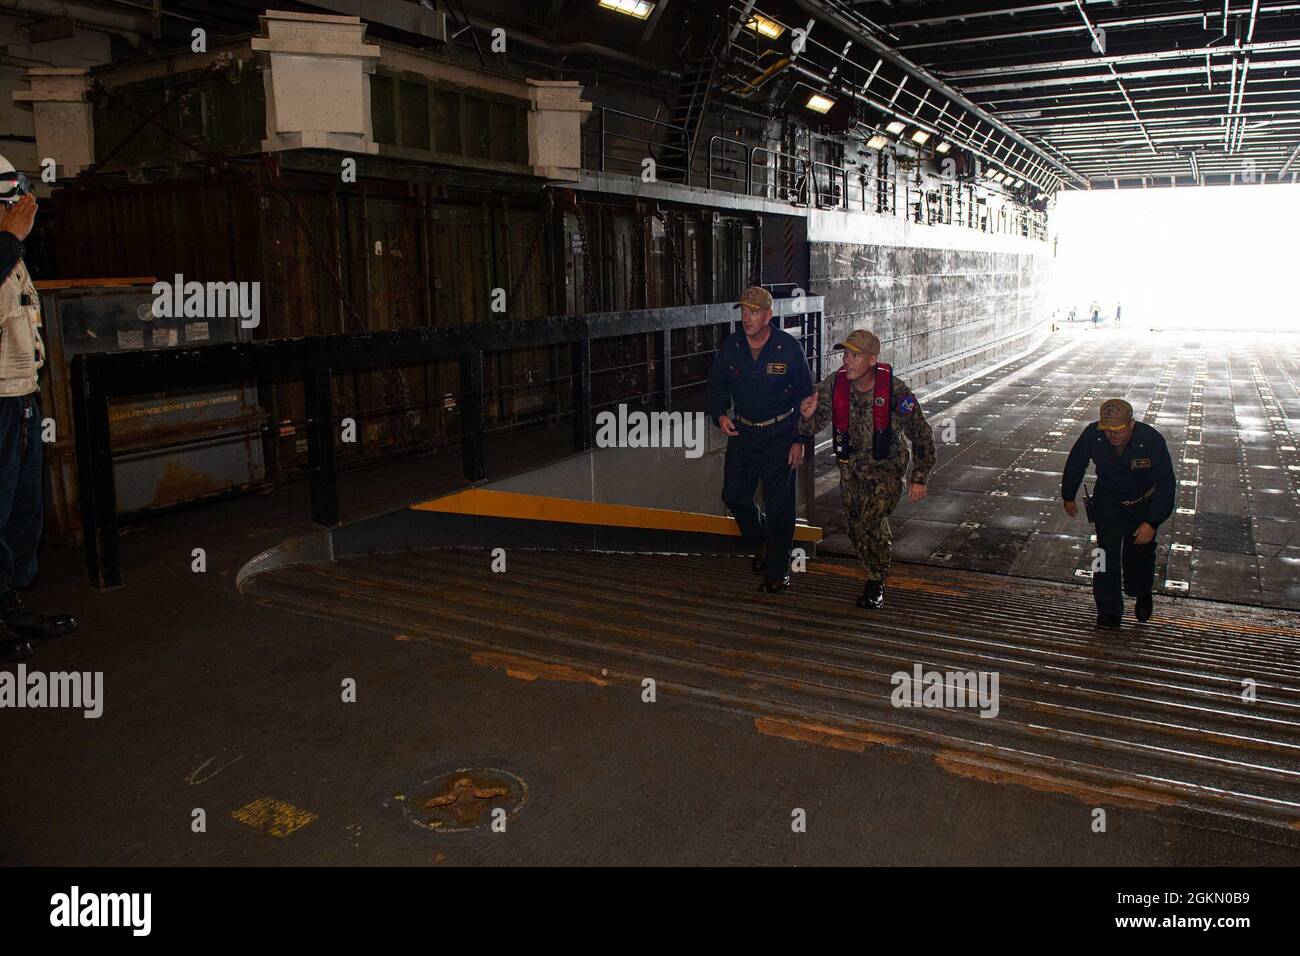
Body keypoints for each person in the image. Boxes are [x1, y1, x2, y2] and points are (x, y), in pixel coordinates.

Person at [0, 155, 76, 658]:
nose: (18, 208)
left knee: (22, 509)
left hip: (20, 394)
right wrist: (7, 239)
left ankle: (7, 605)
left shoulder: (11, 251)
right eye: (8, 201)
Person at [797, 329, 934, 609]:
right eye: (845, 353)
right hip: (850, 470)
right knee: (855, 529)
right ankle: (874, 565)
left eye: (854, 356)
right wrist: (805, 416)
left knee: (869, 522)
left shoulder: (895, 391)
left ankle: (876, 580)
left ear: (872, 360)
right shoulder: (835, 385)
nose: (847, 360)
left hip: (886, 470)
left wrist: (919, 477)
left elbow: (921, 433)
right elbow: (814, 423)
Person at [707, 286, 814, 593]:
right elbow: (716, 384)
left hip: (780, 434)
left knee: (780, 504)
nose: (747, 318)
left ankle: (779, 571)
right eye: (743, 311)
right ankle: (764, 539)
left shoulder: (788, 349)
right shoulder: (731, 347)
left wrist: (799, 441)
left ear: (769, 316)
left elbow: (806, 398)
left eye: (754, 312)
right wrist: (720, 414)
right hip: (743, 433)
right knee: (734, 495)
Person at [1061, 398, 1175, 628]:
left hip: (1142, 506)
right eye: (1108, 430)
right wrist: (1068, 494)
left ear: (1131, 423)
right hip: (1108, 503)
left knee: (1140, 556)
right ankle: (1107, 609)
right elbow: (1076, 462)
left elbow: (1166, 483)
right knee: (1103, 555)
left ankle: (1141, 591)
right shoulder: (1093, 434)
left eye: (1118, 429)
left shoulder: (1151, 440)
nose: (1112, 435)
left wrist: (1152, 522)